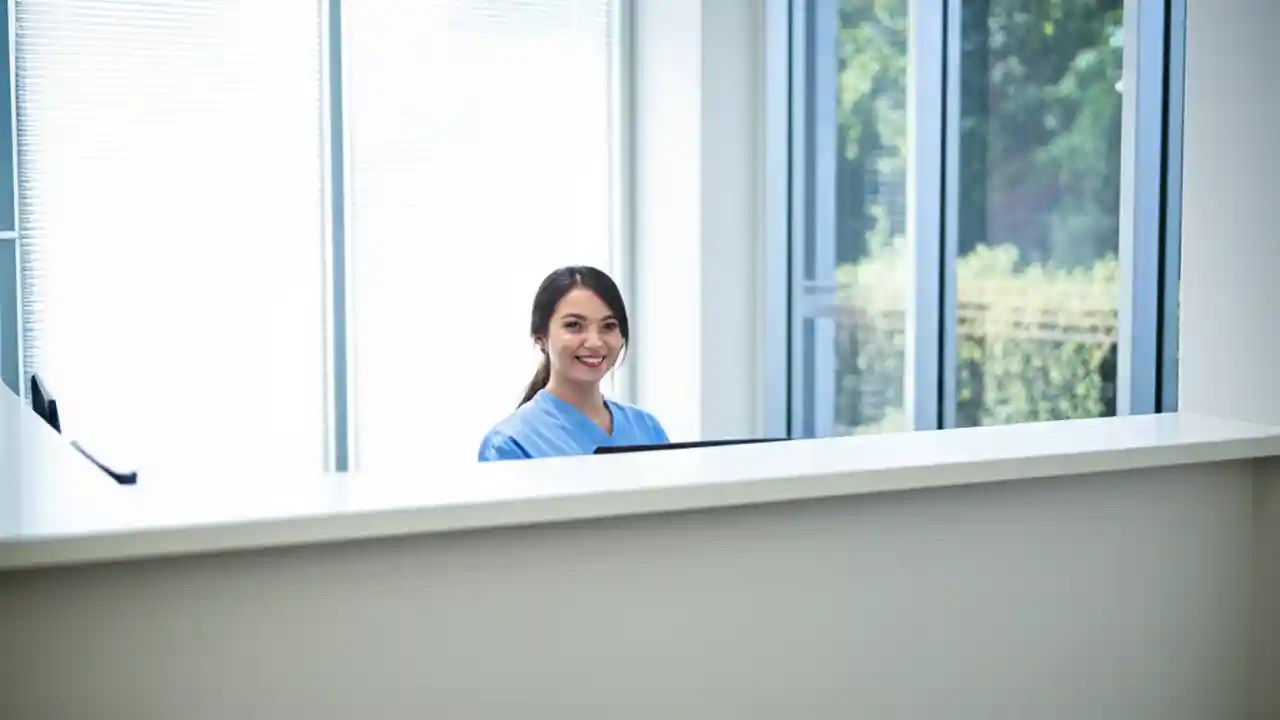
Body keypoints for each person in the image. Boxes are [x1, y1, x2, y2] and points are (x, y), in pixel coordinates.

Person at [477, 266, 669, 461]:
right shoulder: (510, 444)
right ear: (541, 337)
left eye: (608, 326)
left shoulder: (647, 429)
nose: (595, 342)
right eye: (574, 325)